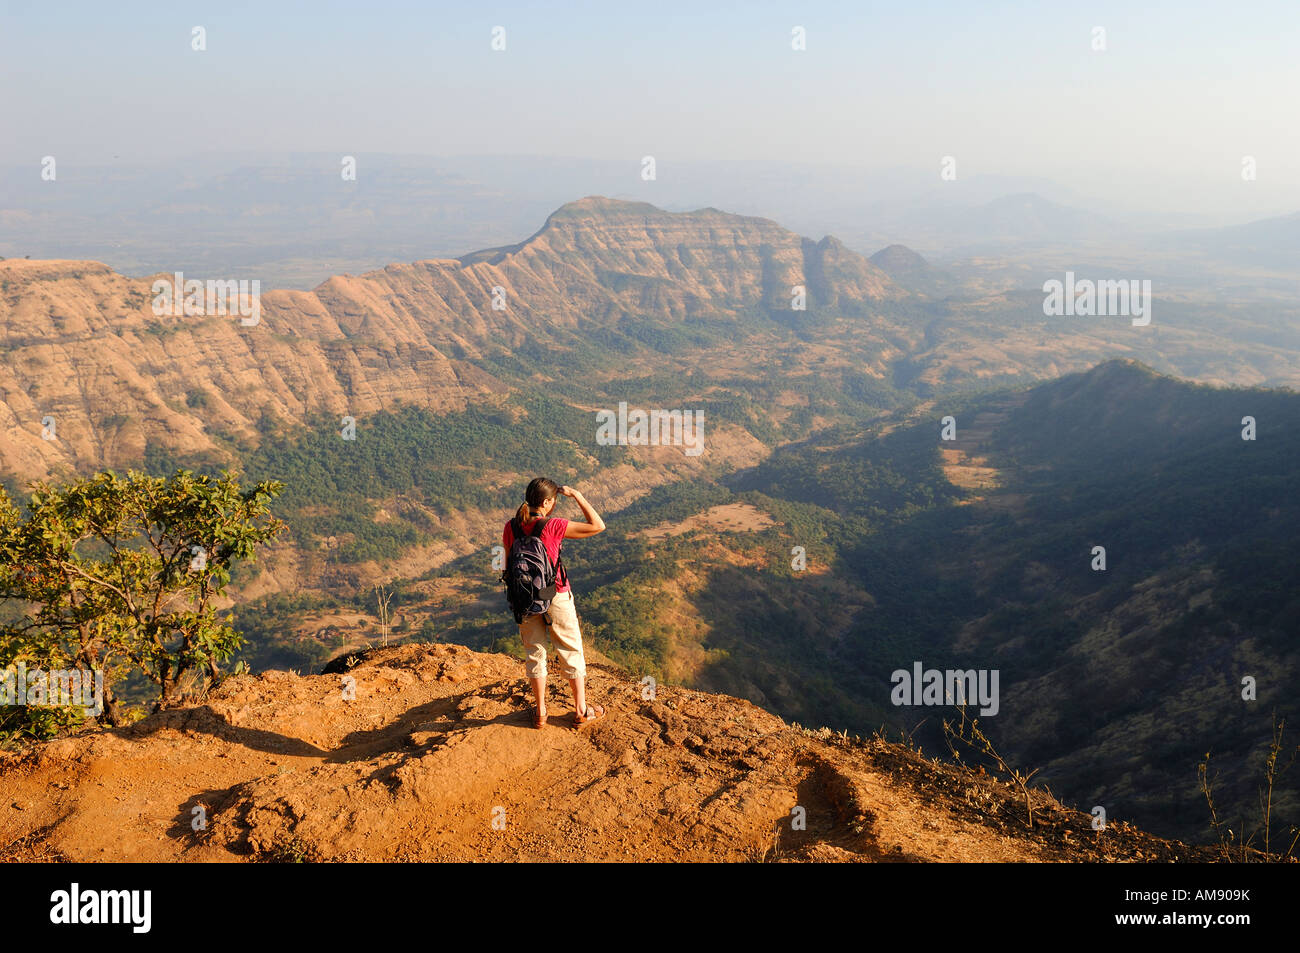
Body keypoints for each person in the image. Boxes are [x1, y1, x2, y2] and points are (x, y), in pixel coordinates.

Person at [503, 478, 606, 729]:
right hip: (556, 594)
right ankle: (581, 710)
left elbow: (508, 565)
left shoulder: (511, 526)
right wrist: (578, 495)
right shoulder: (553, 525)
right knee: (570, 649)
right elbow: (598, 525)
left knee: (534, 652)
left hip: (525, 599)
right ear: (547, 502)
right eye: (554, 502)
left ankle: (540, 712)